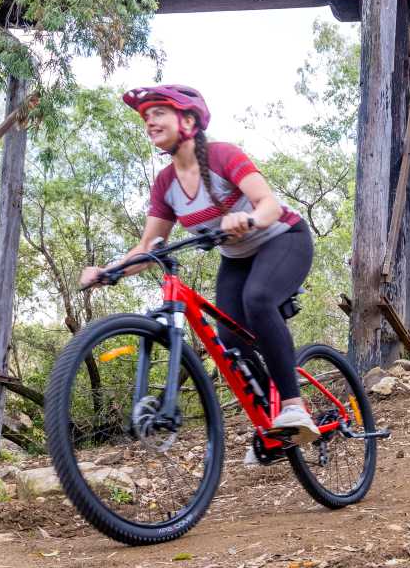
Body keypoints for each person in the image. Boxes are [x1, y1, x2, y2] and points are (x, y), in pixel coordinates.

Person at [80, 84, 319, 445]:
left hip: (283, 239)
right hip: (236, 258)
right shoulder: (165, 184)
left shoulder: (223, 156)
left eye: (158, 113)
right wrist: (108, 271)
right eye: (146, 117)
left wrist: (249, 219)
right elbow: (147, 248)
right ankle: (274, 423)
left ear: (188, 119)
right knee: (229, 338)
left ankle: (293, 406)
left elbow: (268, 204)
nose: (149, 122)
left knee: (257, 300)